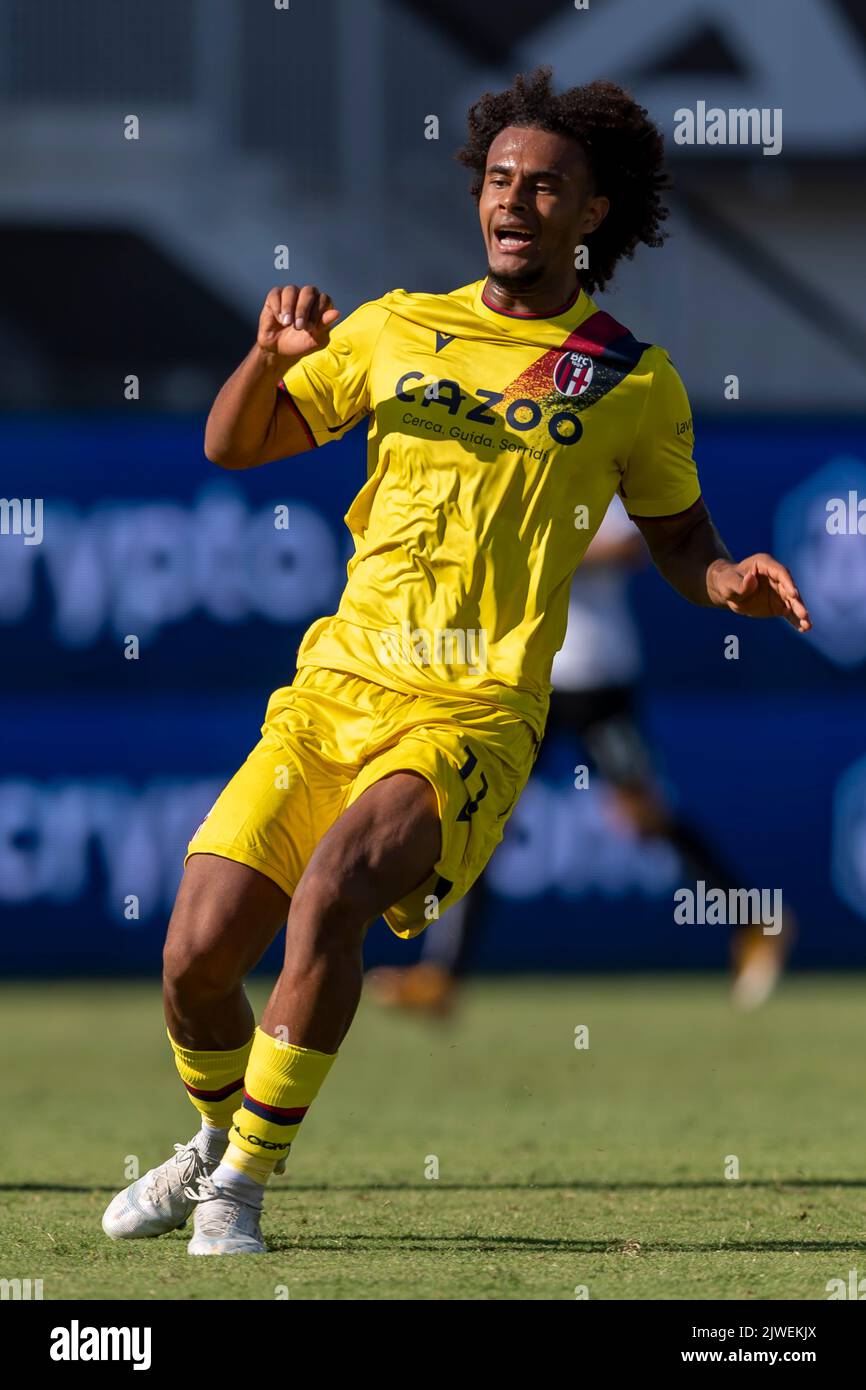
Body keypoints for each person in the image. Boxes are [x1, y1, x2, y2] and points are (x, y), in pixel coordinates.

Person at [102, 69, 810, 1256]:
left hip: (471, 712)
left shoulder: (631, 380)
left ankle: (239, 1193)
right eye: (498, 180)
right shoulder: (392, 327)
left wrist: (726, 578)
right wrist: (266, 359)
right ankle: (214, 1142)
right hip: (332, 693)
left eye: (545, 187)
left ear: (593, 214)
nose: (514, 202)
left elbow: (683, 540)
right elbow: (232, 445)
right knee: (192, 958)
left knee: (336, 890)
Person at [370, 496, 793, 1018]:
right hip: (522, 677)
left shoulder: (591, 453)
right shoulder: (505, 461)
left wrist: (533, 547)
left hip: (594, 675)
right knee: (481, 821)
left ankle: (755, 922)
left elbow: (625, 544)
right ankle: (442, 977)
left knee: (645, 816)